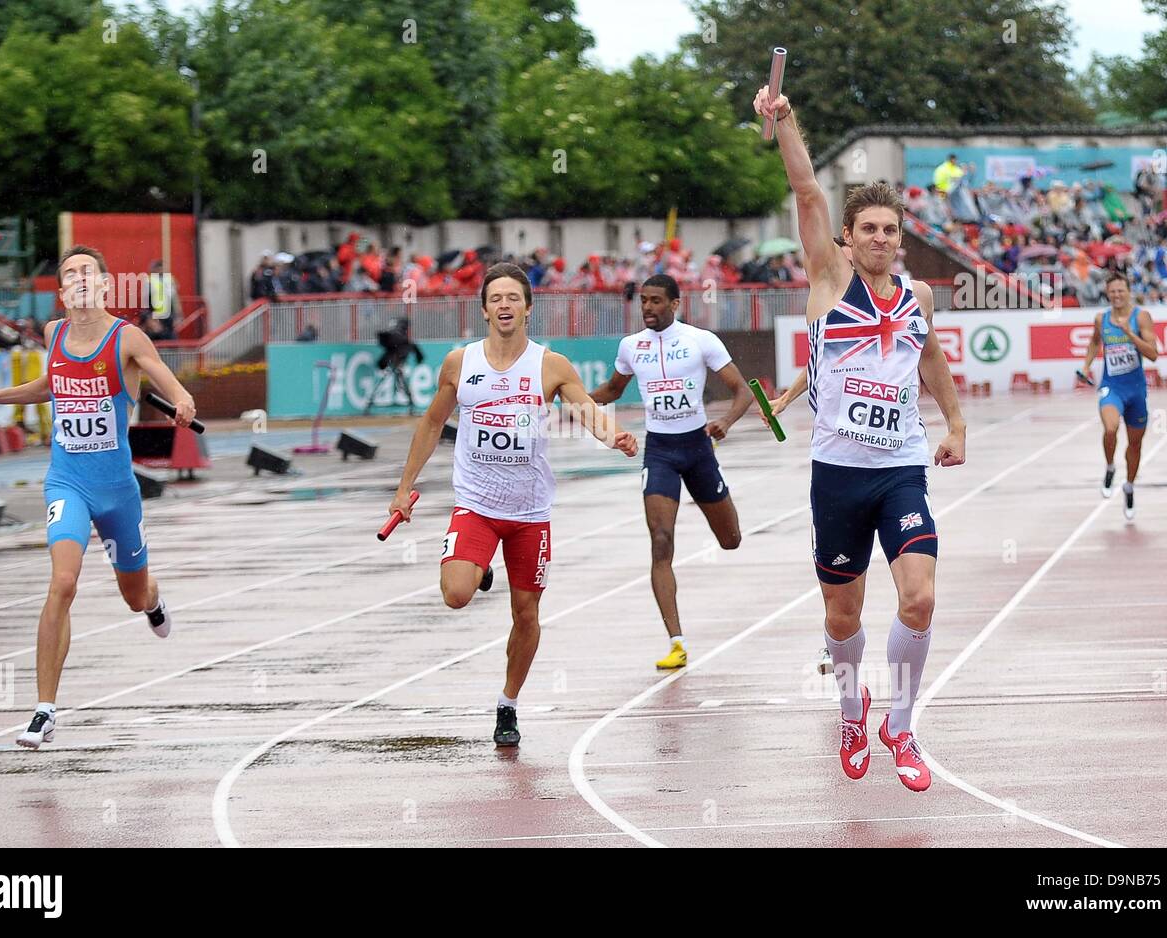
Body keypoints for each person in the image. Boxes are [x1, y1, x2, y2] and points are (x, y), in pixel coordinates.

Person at [755, 86, 967, 792]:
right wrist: (785, 119)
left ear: (899, 239)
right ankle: (854, 707)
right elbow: (808, 190)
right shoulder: (828, 281)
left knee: (920, 599)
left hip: (900, 467)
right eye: (867, 228)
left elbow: (929, 357)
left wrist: (955, 422)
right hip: (837, 473)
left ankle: (900, 725)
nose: (879, 238)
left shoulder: (919, 299)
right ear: (848, 238)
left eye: (889, 229)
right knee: (842, 611)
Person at [0, 245, 197, 750]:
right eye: (70, 275)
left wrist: (183, 400)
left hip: (118, 492)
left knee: (134, 596)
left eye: (88, 272)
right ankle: (44, 710)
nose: (80, 279)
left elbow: (160, 373)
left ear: (104, 284)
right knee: (63, 582)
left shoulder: (126, 337)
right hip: (67, 482)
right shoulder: (54, 333)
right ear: (61, 294)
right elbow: (52, 384)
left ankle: (152, 599)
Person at [386, 263, 637, 747]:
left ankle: (508, 704)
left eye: (513, 298)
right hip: (476, 503)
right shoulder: (460, 364)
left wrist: (614, 437)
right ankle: (477, 567)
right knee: (456, 593)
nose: (504, 305)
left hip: (529, 513)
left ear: (527, 307)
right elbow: (432, 424)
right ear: (484, 309)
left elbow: (586, 410)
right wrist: (404, 487)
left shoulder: (550, 365)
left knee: (525, 615)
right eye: (496, 298)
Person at [589, 274, 750, 669]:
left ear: (675, 304)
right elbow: (611, 391)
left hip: (697, 449)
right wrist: (564, 396)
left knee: (730, 540)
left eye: (656, 301)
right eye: (643, 301)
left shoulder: (700, 341)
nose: (647, 307)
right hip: (659, 452)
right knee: (661, 541)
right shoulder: (631, 346)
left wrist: (725, 422)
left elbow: (742, 391)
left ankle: (682, 627)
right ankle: (676, 641)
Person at [1080, 273, 1158, 521]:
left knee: (1135, 444)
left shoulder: (1141, 317)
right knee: (1111, 428)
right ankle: (1110, 466)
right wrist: (1086, 366)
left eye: (1120, 291)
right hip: (1111, 388)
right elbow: (1094, 343)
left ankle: (1129, 486)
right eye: (1112, 292)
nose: (1116, 296)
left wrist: (1129, 334)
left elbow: (1153, 354)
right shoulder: (1101, 318)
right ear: (1107, 293)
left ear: (1128, 291)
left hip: (1136, 391)